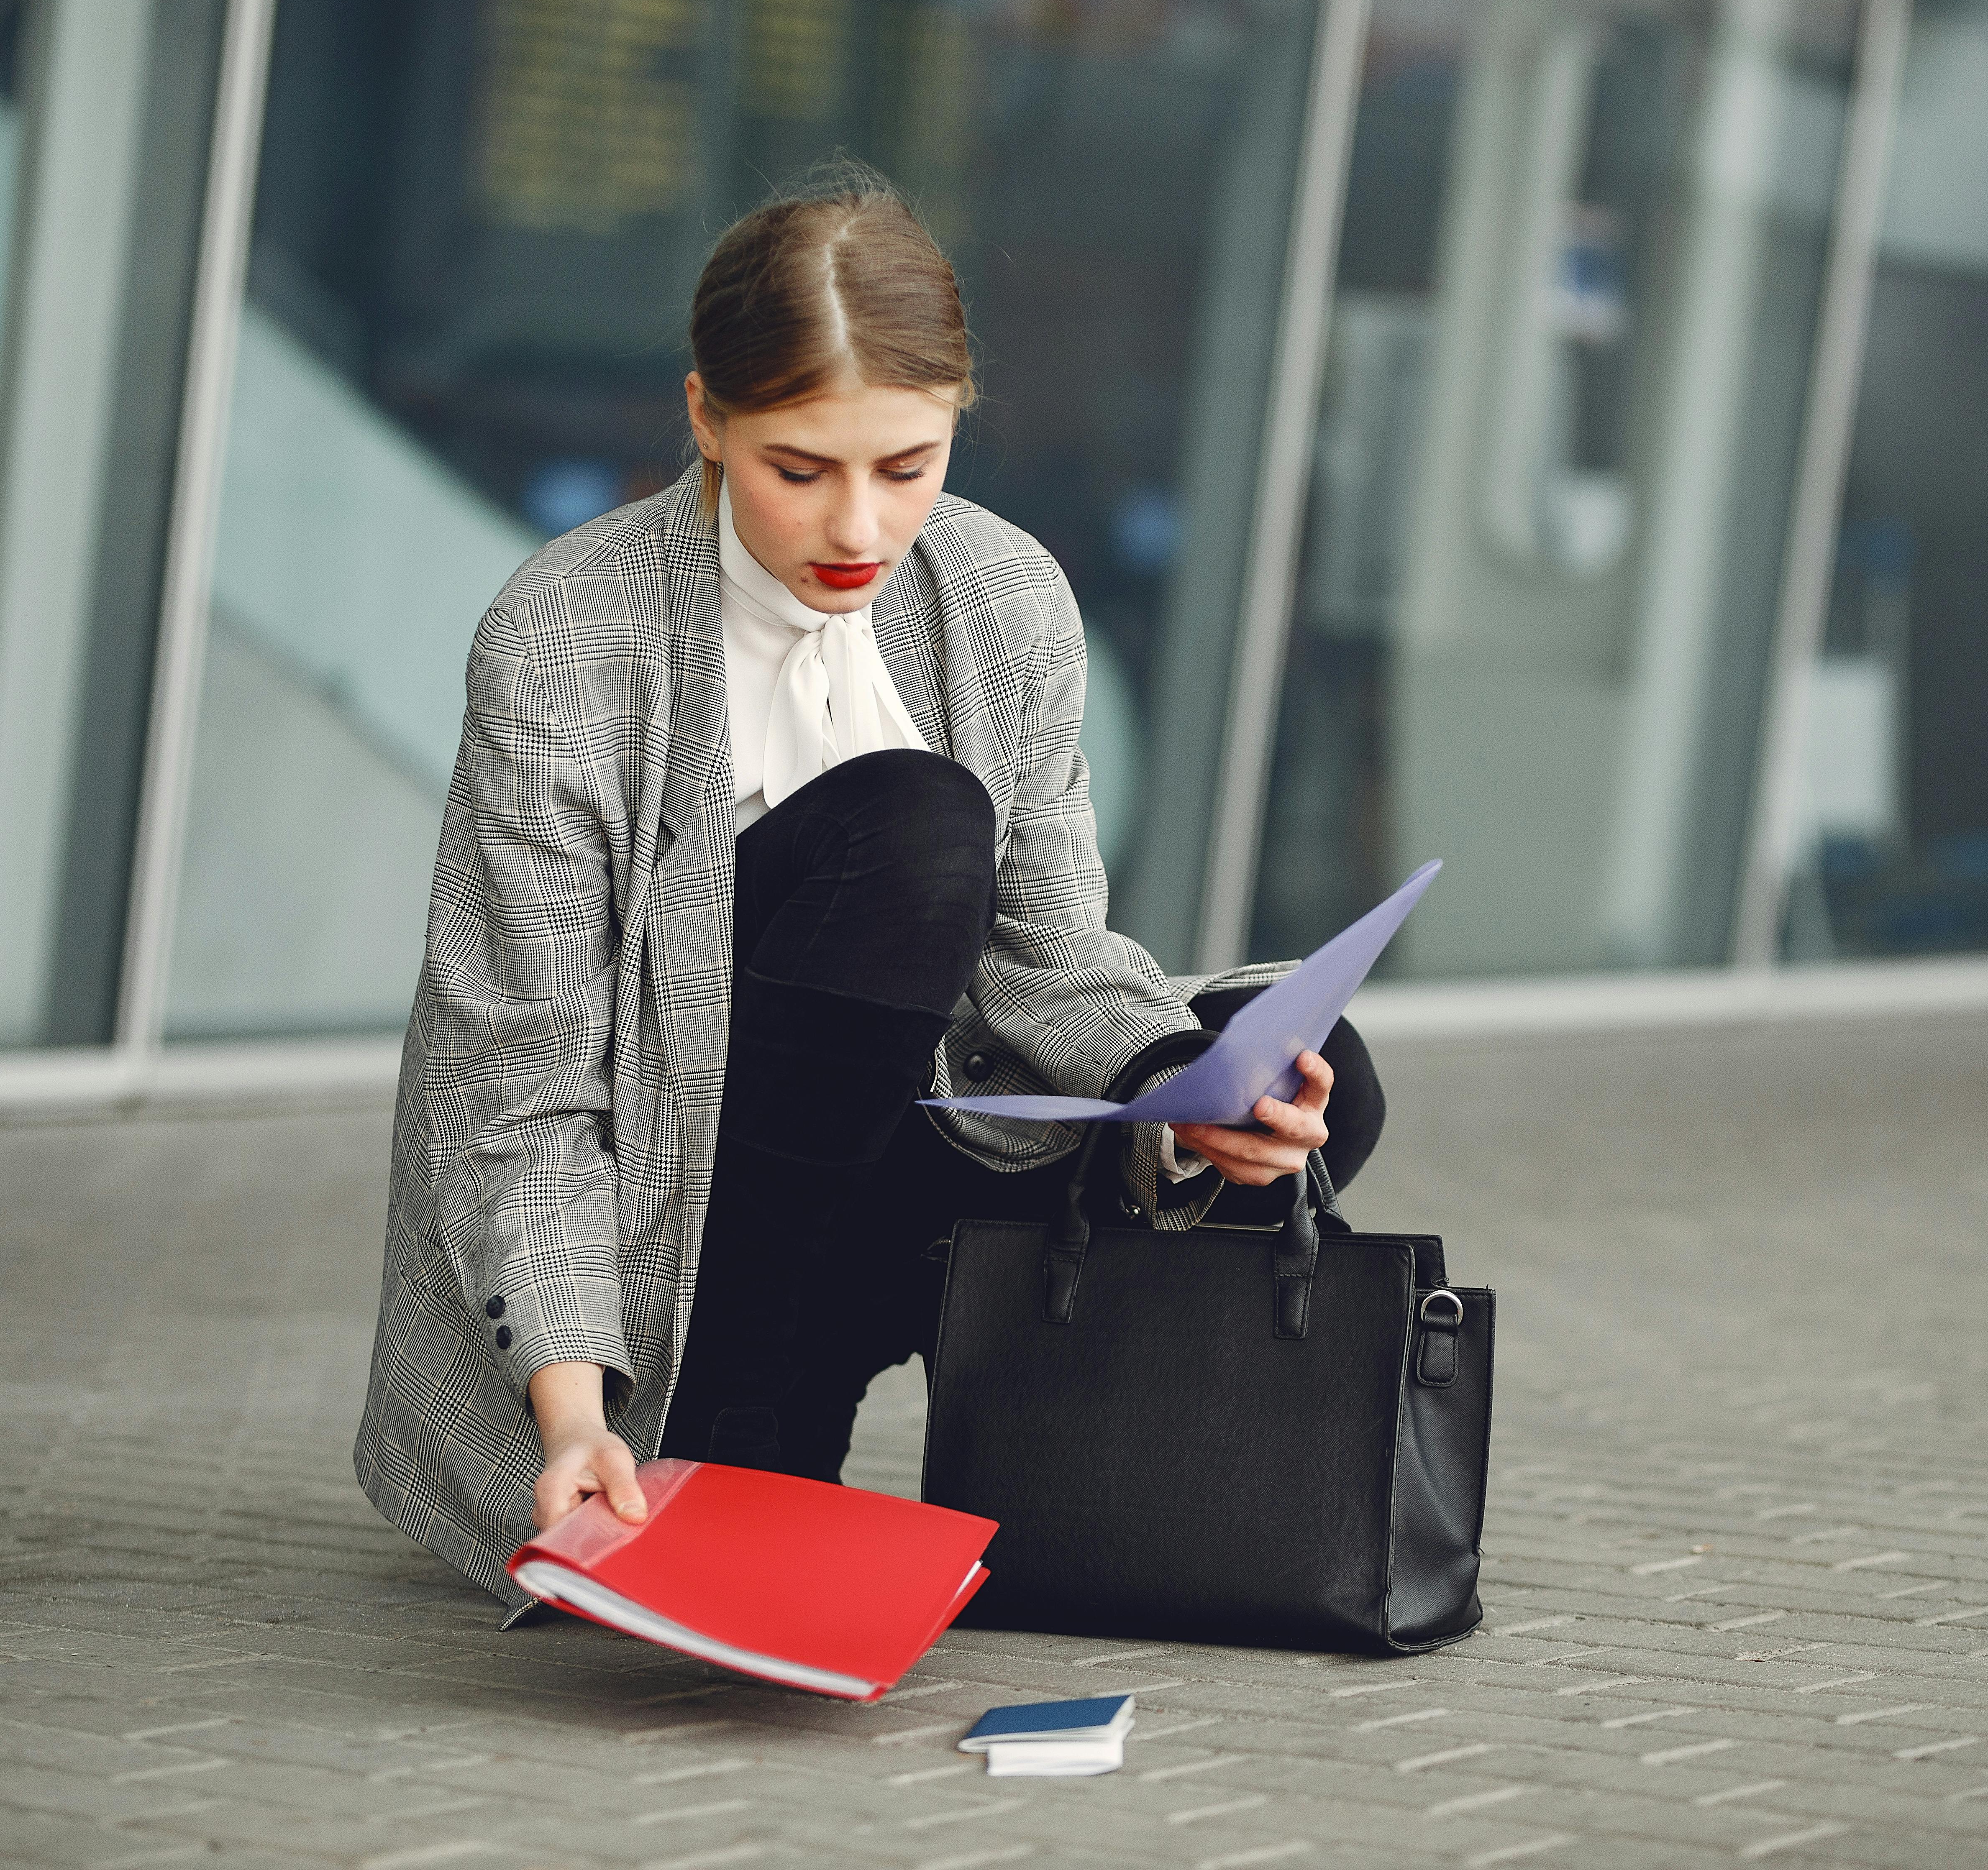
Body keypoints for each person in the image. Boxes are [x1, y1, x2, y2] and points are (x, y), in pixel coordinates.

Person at [352, 172, 1388, 1614]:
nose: (859, 524)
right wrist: (575, 1411)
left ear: (959, 416)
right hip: (665, 1224)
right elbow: (516, 1086)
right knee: (913, 827)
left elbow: (1049, 953)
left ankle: (1045, 1477)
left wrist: (1184, 1085)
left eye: (908, 466)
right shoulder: (565, 644)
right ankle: (737, 1434)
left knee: (1312, 1082)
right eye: (800, 468)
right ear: (707, 417)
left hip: (896, 1155)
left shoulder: (1007, 599)